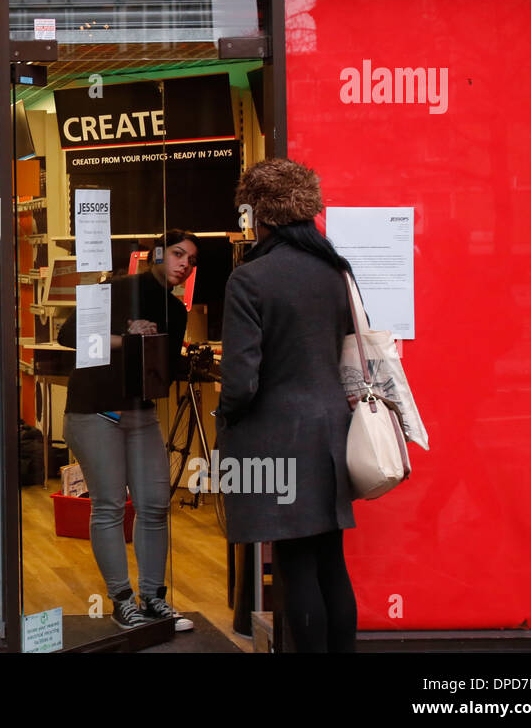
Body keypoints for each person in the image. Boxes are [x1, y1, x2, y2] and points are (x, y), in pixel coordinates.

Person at [216, 158, 358, 652]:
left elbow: (239, 382)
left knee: (295, 566)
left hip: (276, 440)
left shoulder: (250, 279)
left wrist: (227, 419)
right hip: (331, 433)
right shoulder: (334, 271)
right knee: (331, 561)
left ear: (261, 214)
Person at [56, 230, 199, 631]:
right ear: (156, 253)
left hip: (140, 412)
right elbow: (69, 336)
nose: (184, 264)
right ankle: (122, 601)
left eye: (190, 259)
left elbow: (165, 368)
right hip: (94, 410)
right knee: (110, 506)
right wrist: (126, 339)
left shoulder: (177, 310)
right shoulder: (116, 289)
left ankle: (153, 598)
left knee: (155, 505)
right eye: (177, 254)